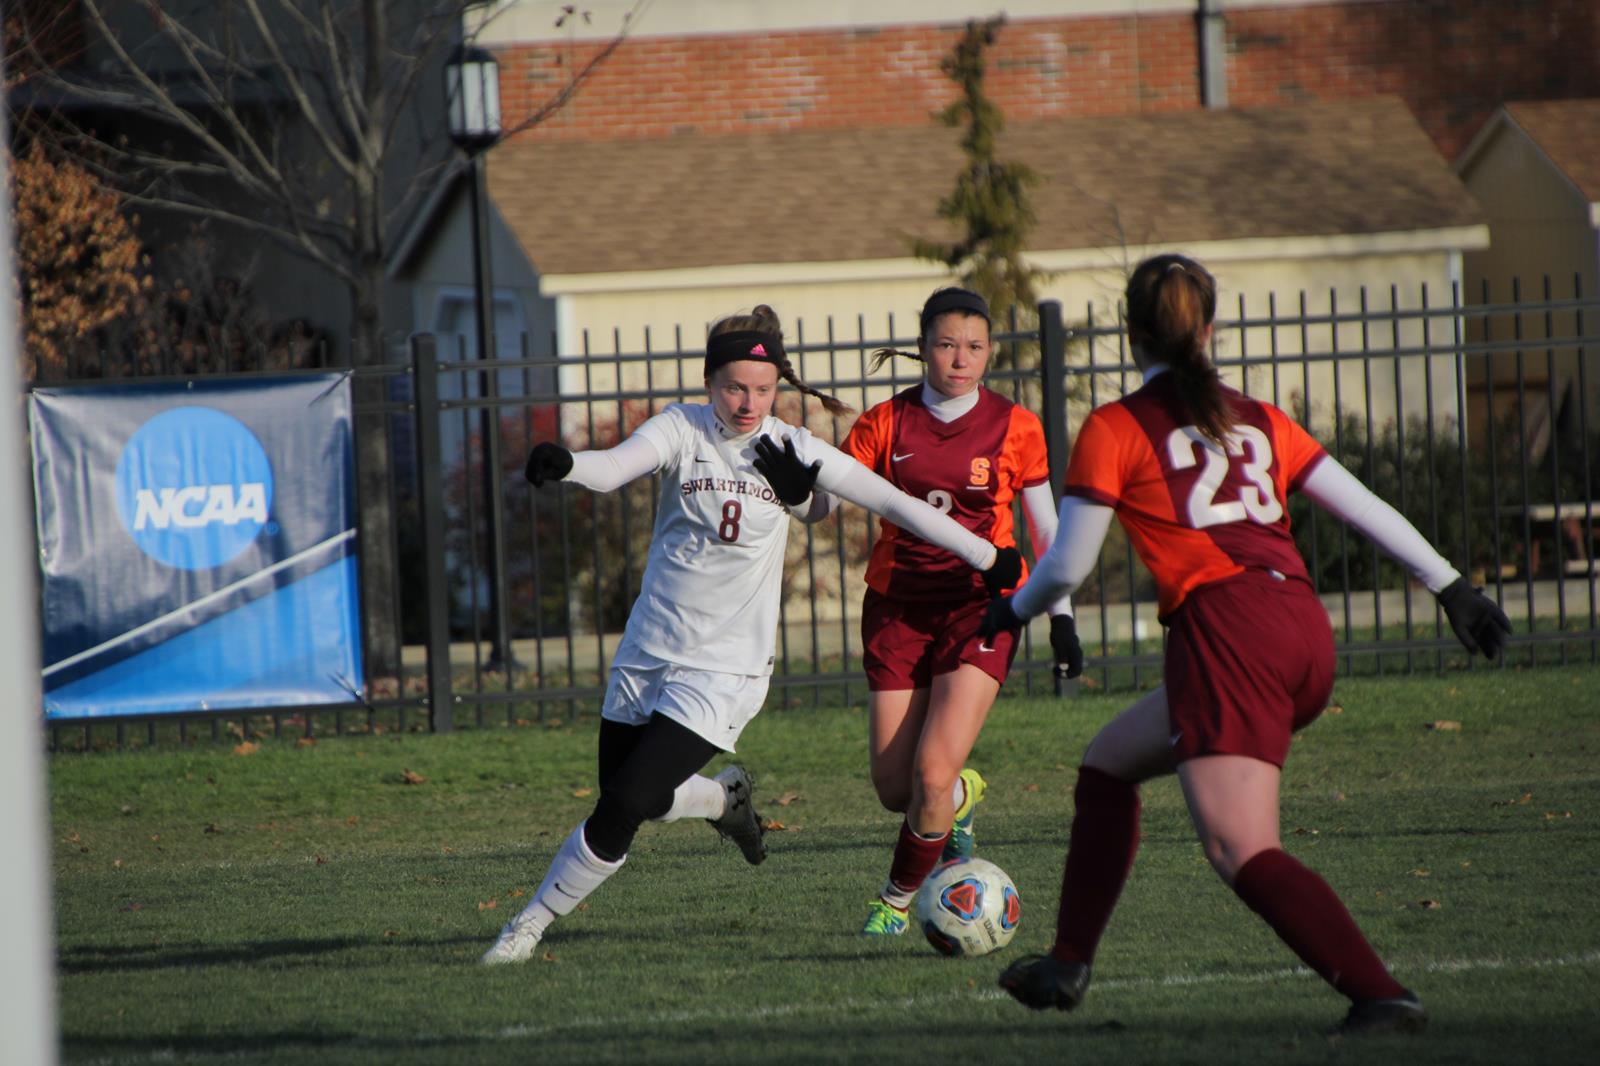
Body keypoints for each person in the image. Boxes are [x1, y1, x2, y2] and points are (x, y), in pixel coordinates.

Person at [981, 254, 1512, 1034]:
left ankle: (1381, 993)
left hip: (1227, 635)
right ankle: (1068, 963)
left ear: (1132, 334)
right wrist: (1452, 587)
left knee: (1240, 849)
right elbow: (1360, 503)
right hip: (1300, 631)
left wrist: (1014, 610)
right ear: (1212, 329)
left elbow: (1069, 562)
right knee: (1106, 765)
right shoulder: (1256, 416)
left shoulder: (1117, 426)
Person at [482, 305, 1022, 965]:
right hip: (648, 652)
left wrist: (988, 557)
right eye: (735, 387)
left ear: (777, 389)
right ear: (710, 383)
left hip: (725, 670)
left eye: (762, 390)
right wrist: (566, 463)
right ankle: (722, 799)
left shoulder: (792, 446)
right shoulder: (682, 427)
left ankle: (524, 929)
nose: (748, 402)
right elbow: (615, 466)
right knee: (631, 792)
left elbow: (895, 504)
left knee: (624, 804)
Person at [769, 286, 1083, 937]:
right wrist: (797, 494)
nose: (959, 359)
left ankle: (895, 902)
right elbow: (825, 505)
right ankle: (961, 799)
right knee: (897, 789)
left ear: (990, 351)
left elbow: (1046, 531)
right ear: (922, 348)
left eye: (973, 346)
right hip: (898, 609)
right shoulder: (885, 423)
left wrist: (1061, 618)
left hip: (982, 610)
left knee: (930, 773)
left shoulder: (1015, 426)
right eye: (946, 344)